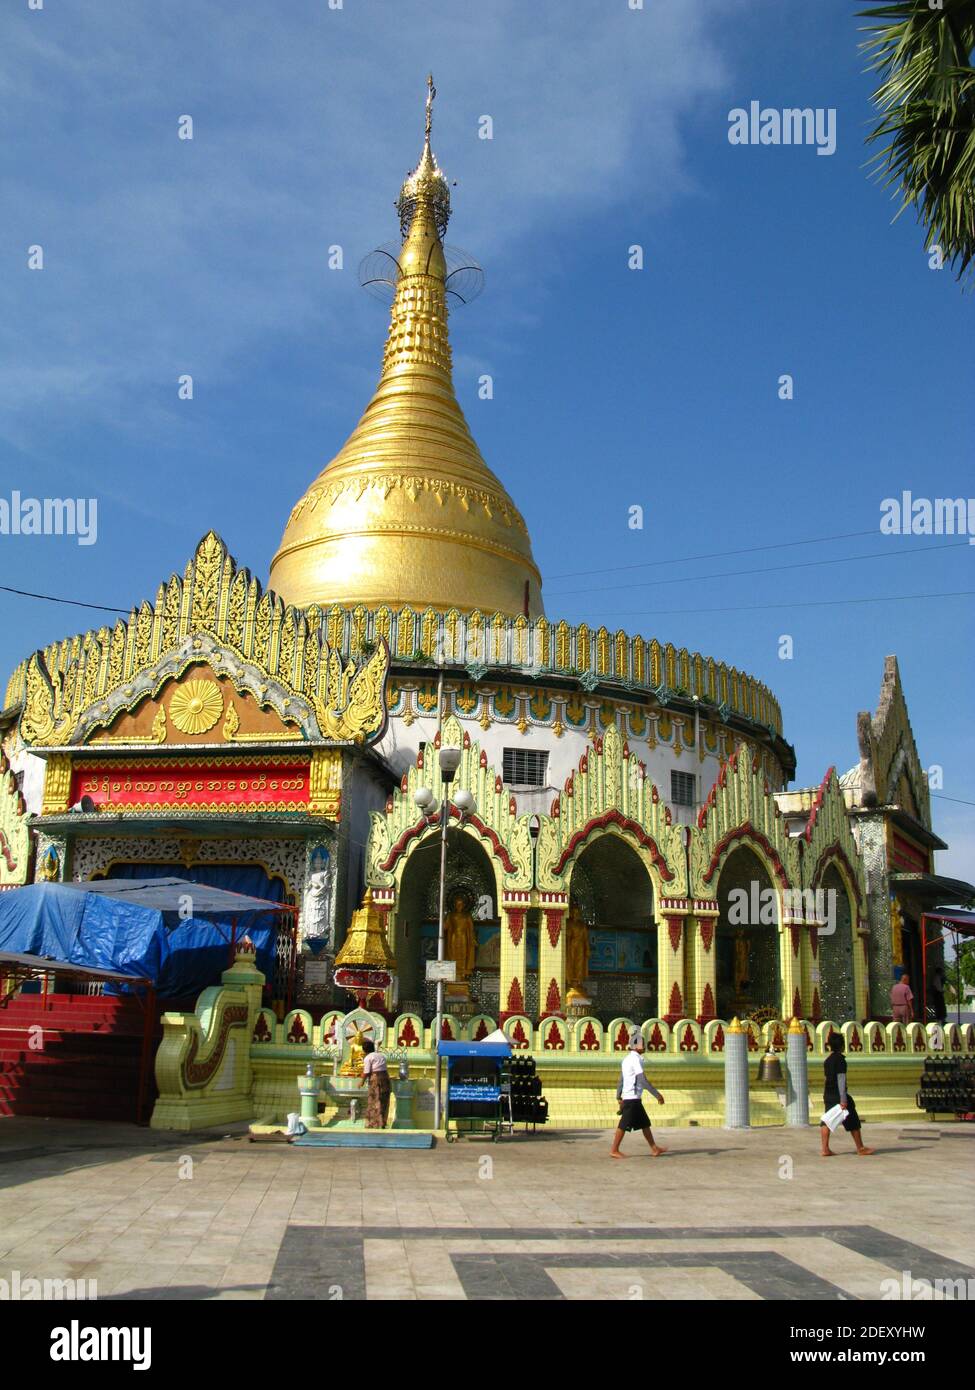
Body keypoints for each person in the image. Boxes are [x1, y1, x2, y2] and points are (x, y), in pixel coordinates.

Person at [610, 1032, 667, 1159]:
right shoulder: (635, 1060)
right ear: (636, 1046)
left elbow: (621, 1079)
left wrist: (619, 1096)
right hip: (632, 1098)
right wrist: (657, 1094)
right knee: (623, 1125)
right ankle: (614, 1149)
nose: (645, 1046)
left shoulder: (626, 1059)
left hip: (630, 1098)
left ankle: (654, 1148)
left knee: (644, 1123)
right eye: (642, 1044)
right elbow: (642, 1080)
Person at [820, 1033, 874, 1157]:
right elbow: (841, 1079)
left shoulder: (827, 1060)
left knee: (827, 1121)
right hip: (839, 1095)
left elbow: (826, 1079)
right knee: (853, 1120)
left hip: (828, 1094)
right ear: (842, 1045)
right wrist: (843, 1099)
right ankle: (860, 1148)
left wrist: (826, 1095)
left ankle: (825, 1149)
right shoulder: (840, 1060)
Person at [358, 1038, 391, 1129]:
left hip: (375, 1079)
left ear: (364, 1050)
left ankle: (374, 1123)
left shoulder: (368, 1058)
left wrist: (361, 1081)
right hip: (385, 1078)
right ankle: (383, 1122)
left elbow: (367, 1071)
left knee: (374, 1101)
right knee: (384, 1100)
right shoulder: (381, 1055)